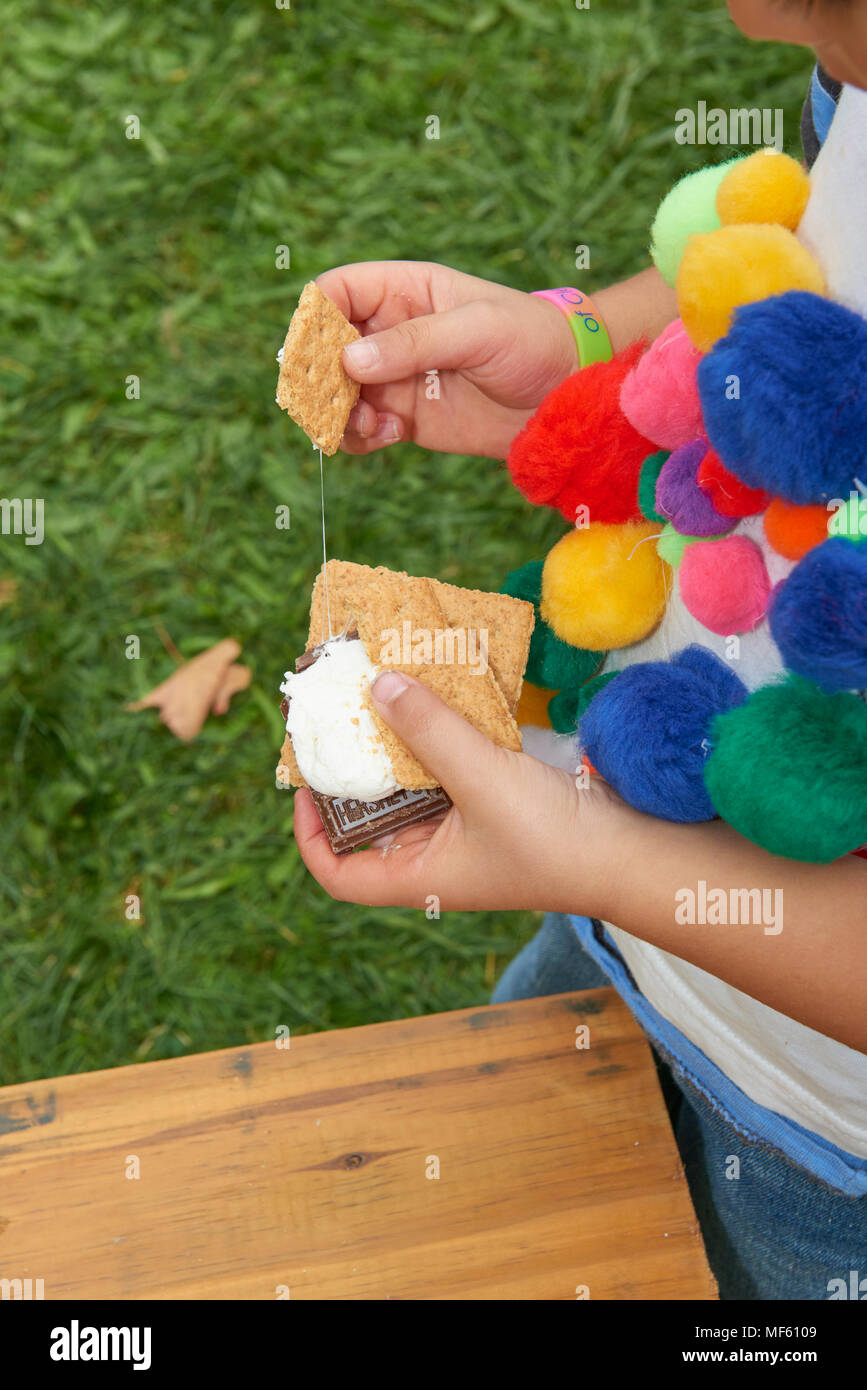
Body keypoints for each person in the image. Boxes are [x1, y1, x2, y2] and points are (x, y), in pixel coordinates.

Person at [292, 0, 867, 1299]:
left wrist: (595, 853)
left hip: (827, 1155)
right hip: (629, 949)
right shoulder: (858, 58)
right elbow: (800, 269)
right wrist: (582, 355)